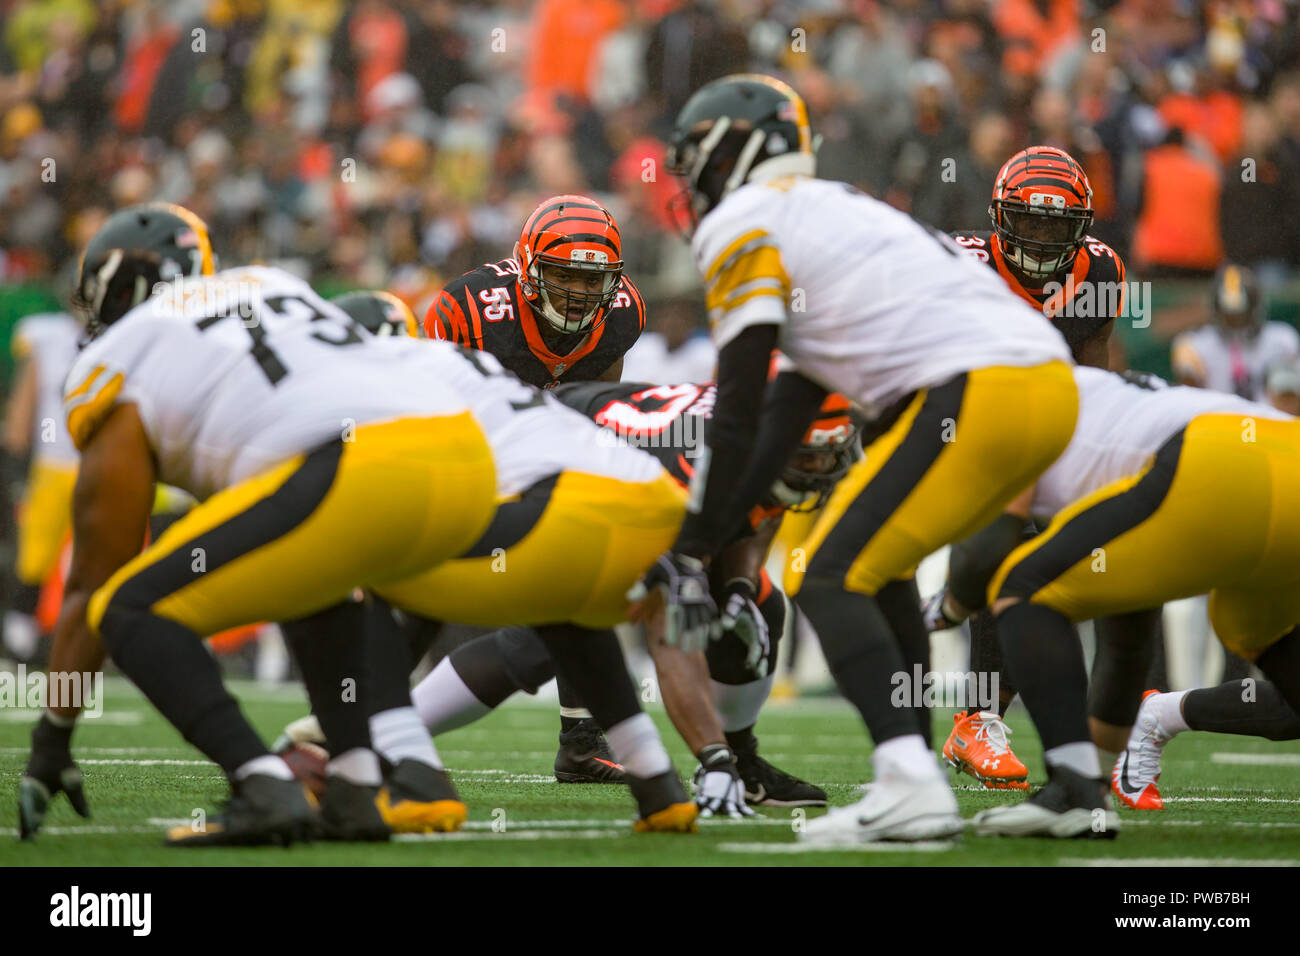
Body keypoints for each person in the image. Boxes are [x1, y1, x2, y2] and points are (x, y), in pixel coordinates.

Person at [19, 205, 697, 843]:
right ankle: (364, 778)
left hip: (362, 464)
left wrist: (52, 737)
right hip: (504, 463)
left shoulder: (123, 352)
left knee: (132, 607)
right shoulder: (274, 285)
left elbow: (92, 580)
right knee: (333, 584)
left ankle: (268, 781)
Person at [650, 73, 1078, 844]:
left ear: (736, 154)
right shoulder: (840, 209)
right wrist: (706, 542)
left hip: (977, 390)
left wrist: (689, 546)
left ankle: (909, 779)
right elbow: (790, 404)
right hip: (1045, 389)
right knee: (881, 572)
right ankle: (1009, 780)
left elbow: (740, 406)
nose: (693, 184)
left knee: (829, 574)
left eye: (699, 161)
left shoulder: (749, 219)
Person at [945, 367, 1300, 837]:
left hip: (1225, 466)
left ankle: (1086, 775)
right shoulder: (1066, 400)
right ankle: (1090, 768)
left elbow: (985, 554)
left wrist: (946, 607)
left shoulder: (1029, 407)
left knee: (1025, 586)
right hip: (1256, 456)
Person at [424, 193, 647, 784]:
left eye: (591, 278)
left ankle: (581, 737)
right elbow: (437, 408)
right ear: (527, 268)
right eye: (564, 274)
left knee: (583, 563)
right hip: (459, 441)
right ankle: (370, 723)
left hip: (542, 443)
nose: (577, 291)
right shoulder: (469, 308)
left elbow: (595, 412)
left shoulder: (622, 314)